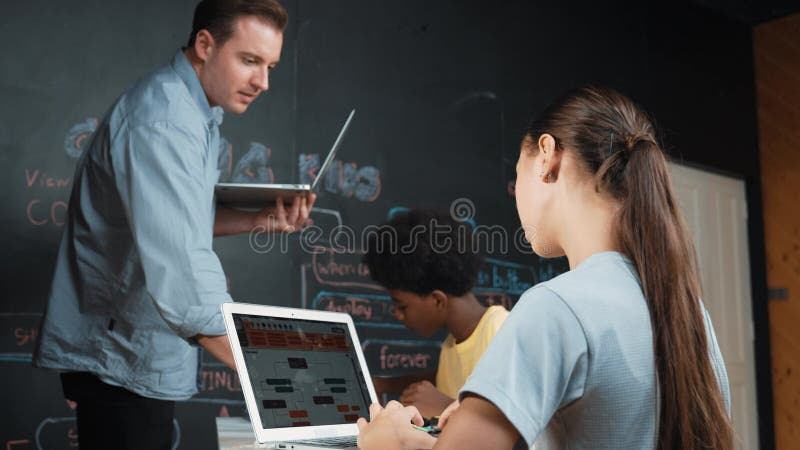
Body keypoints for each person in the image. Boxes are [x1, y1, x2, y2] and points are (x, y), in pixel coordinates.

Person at [355, 86, 734, 450]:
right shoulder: (690, 314)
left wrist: (387, 442)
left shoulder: (556, 307)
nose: (516, 193)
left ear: (547, 157)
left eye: (517, 173)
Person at [32, 1, 312, 449]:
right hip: (120, 363)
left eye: (271, 66)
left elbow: (171, 222)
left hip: (139, 354)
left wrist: (259, 219)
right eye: (250, 61)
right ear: (205, 45)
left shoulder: (196, 112)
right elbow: (184, 274)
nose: (263, 82)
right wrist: (273, 378)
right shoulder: (164, 120)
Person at [362, 209, 509, 418]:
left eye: (402, 306)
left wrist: (445, 407)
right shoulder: (453, 342)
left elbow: (510, 423)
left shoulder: (501, 330)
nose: (398, 315)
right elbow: (445, 377)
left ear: (438, 300)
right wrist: (385, 384)